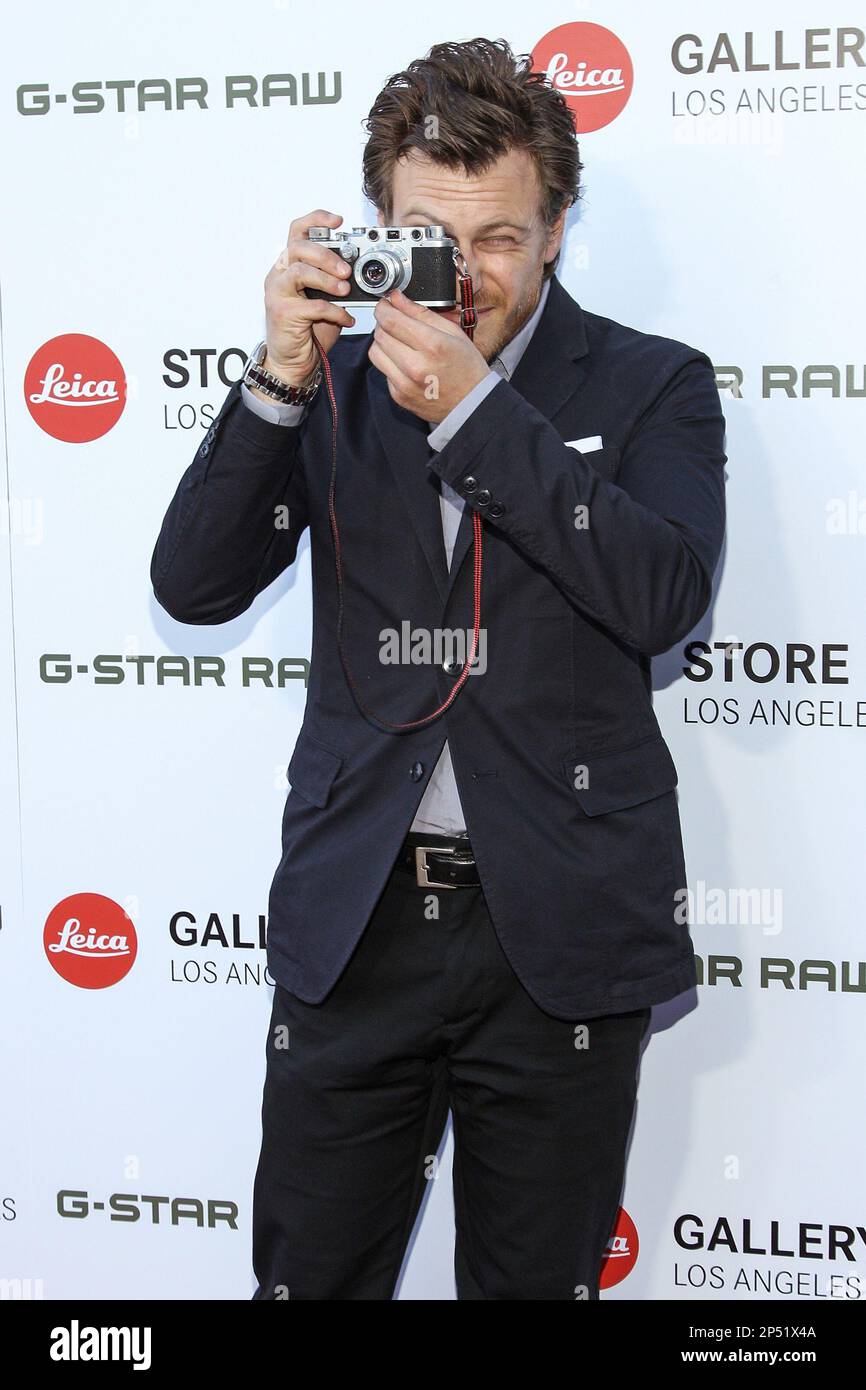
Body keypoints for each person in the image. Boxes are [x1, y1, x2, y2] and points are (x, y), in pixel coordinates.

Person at [151, 36, 727, 1300]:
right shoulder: (331, 380)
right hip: (358, 921)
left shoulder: (652, 385)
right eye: (428, 237)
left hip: (562, 929)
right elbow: (193, 585)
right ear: (377, 229)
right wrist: (280, 377)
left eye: (499, 239)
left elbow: (666, 597)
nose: (463, 275)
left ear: (558, 230)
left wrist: (475, 412)